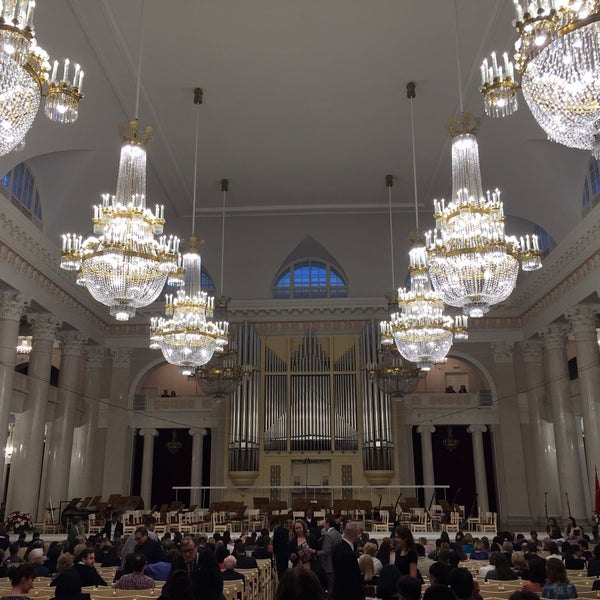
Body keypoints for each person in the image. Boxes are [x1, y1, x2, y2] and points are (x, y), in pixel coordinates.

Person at [171, 535, 223, 600]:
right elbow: (169, 587)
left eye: (190, 550)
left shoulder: (208, 558)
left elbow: (218, 582)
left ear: (196, 548)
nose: (187, 554)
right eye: (184, 551)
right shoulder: (177, 563)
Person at [331, 521, 362, 600]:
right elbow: (352, 580)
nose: (360, 536)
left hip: (337, 591)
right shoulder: (348, 554)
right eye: (359, 533)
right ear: (355, 534)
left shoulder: (336, 548)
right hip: (348, 594)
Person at [316, 516, 342, 592]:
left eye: (324, 523)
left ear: (328, 524)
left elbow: (326, 551)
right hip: (337, 564)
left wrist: (315, 552)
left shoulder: (328, 535)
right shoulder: (338, 534)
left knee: (331, 587)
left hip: (329, 565)